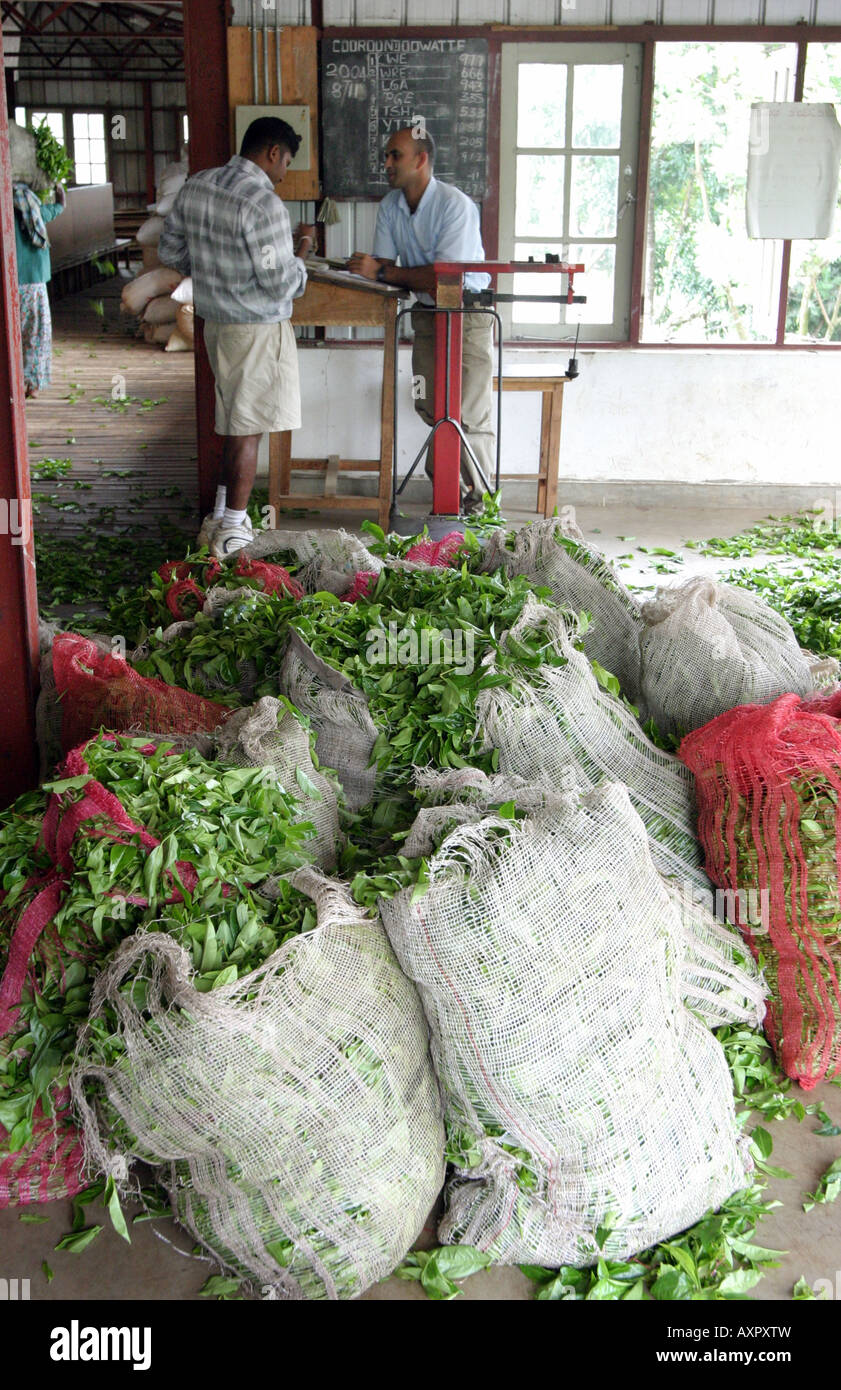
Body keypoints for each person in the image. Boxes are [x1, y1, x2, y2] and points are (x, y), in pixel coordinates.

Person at [158, 117, 314, 560]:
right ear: (272, 153)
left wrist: (212, 267)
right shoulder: (263, 204)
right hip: (256, 330)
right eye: (286, 161)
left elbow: (171, 252)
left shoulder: (197, 186)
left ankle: (225, 513)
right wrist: (303, 250)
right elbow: (282, 283)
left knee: (234, 422)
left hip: (216, 325)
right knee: (249, 429)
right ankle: (230, 533)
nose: (284, 171)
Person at [348, 128, 493, 516]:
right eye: (386, 155)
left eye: (395, 155)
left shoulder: (454, 205)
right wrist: (382, 271)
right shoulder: (391, 205)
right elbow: (385, 268)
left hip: (468, 316)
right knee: (430, 404)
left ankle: (480, 502)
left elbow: (442, 279)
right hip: (428, 316)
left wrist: (384, 272)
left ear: (420, 160)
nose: (387, 164)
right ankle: (449, 493)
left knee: (469, 412)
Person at [13, 180, 66, 399]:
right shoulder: (32, 210)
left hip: (10, 283)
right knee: (36, 333)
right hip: (33, 283)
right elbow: (55, 209)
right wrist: (61, 196)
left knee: (12, 334)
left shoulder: (9, 210)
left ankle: (12, 382)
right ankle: (32, 383)